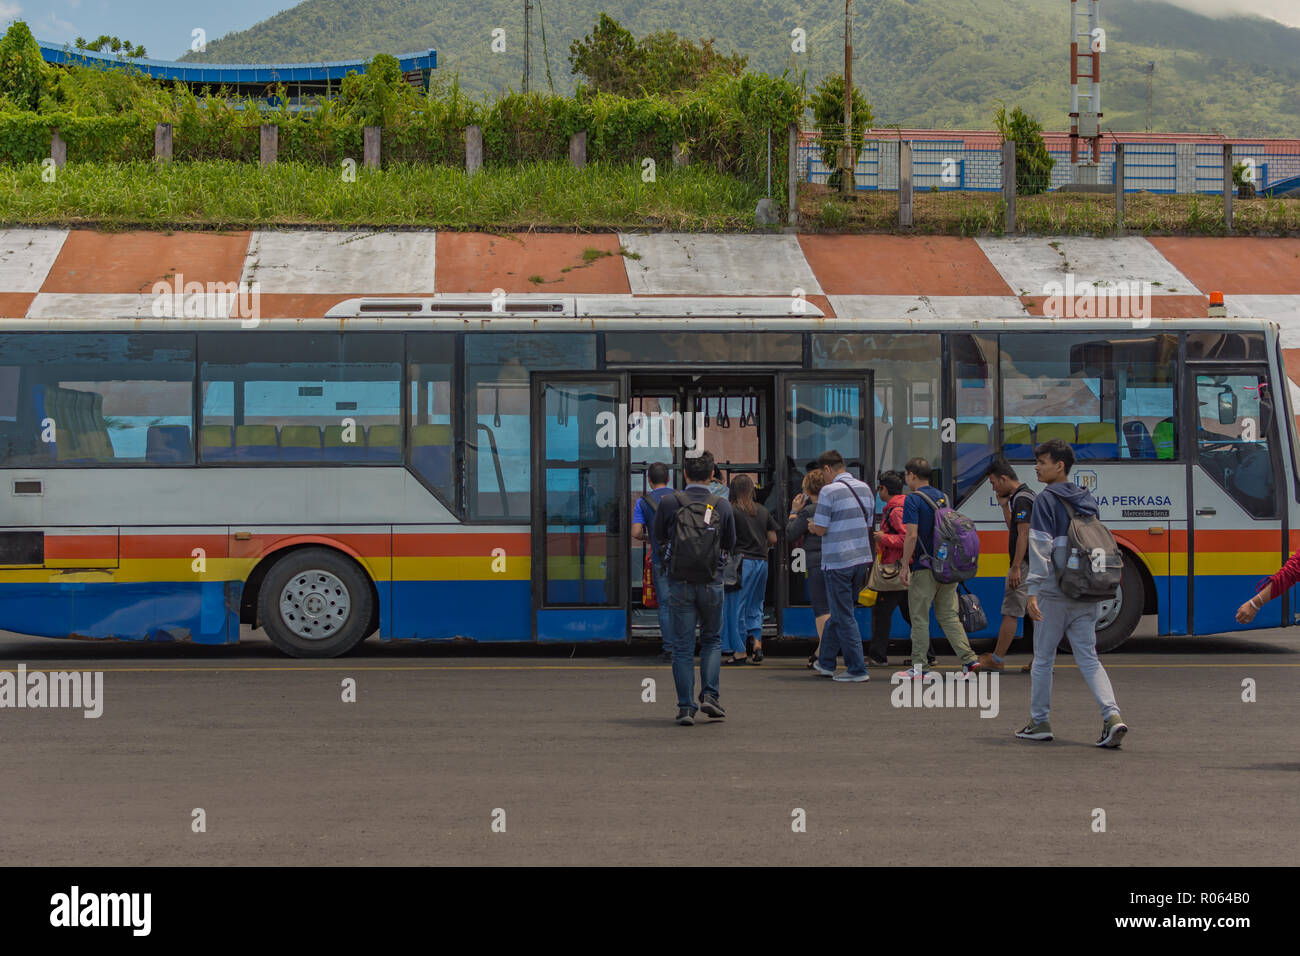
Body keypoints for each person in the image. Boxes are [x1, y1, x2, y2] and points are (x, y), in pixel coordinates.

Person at [1016, 439, 1128, 748]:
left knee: (1043, 659)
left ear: (1059, 466)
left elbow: (1040, 549)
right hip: (1086, 589)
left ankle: (1039, 722)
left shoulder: (1045, 500)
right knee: (1088, 658)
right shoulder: (1086, 498)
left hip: (1054, 592)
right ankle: (1112, 716)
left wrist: (1033, 592)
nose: (1037, 467)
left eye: (1042, 462)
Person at [653, 451, 736, 726]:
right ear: (713, 474)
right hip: (712, 582)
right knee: (712, 640)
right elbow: (731, 543)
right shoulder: (721, 505)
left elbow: (659, 539)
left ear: (684, 474)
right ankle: (710, 697)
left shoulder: (669, 502)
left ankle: (686, 707)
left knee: (682, 647)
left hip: (680, 583)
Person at [895, 458, 981, 680]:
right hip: (946, 567)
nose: (906, 479)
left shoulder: (913, 500)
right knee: (949, 615)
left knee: (920, 618)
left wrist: (905, 565)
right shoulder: (943, 497)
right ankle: (970, 661)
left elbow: (912, 535)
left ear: (912, 475)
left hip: (924, 567)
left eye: (906, 475)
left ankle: (920, 668)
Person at [808, 449, 873, 682]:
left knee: (844, 615)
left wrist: (811, 526)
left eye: (822, 473)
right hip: (861, 560)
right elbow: (868, 522)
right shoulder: (865, 488)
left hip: (838, 560)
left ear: (827, 469)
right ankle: (825, 663)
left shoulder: (829, 491)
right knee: (839, 612)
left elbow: (822, 528)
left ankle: (857, 669)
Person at [979, 458, 1035, 673]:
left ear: (1003, 479)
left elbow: (1023, 534)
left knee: (1011, 611)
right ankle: (1041, 661)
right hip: (1034, 563)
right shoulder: (1023, 496)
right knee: (1035, 613)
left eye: (993, 483)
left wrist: (1016, 567)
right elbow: (1015, 527)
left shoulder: (1022, 499)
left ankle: (997, 659)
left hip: (1026, 564)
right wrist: (1004, 506)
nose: (993, 487)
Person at [722, 474, 779, 664]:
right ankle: (757, 644)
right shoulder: (762, 510)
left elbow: (726, 538)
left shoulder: (731, 510)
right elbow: (773, 539)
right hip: (761, 563)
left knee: (736, 607)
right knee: (756, 604)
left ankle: (739, 651)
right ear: (751, 490)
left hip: (741, 563)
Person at [632, 461, 677, 664]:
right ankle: (684, 645)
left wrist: (649, 539)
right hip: (682, 559)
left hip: (661, 559)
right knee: (684, 603)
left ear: (649, 481)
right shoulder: (681, 498)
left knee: (665, 605)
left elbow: (636, 532)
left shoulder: (643, 502)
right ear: (668, 479)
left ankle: (669, 648)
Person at [866, 470, 912, 666]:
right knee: (910, 613)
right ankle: (928, 655)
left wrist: (882, 538)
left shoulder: (896, 511)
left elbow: (906, 538)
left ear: (883, 489)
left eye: (879, 488)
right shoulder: (901, 507)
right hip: (903, 569)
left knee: (882, 611)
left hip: (895, 570)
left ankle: (877, 656)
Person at [787, 468, 830, 668]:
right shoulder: (833, 506)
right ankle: (822, 651)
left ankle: (824, 652)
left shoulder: (809, 511)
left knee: (821, 609)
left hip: (816, 562)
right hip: (835, 561)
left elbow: (791, 534)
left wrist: (794, 511)